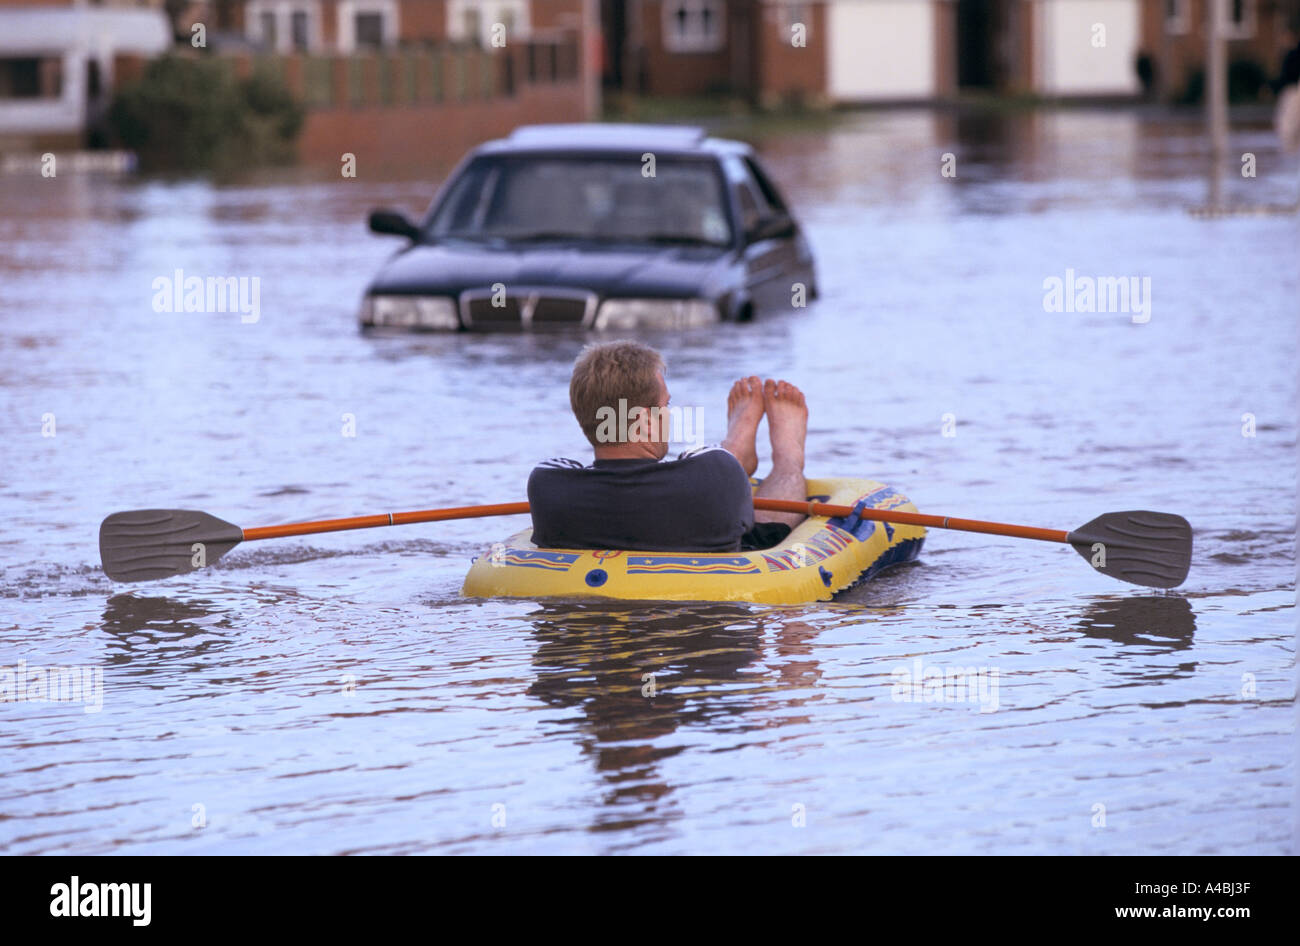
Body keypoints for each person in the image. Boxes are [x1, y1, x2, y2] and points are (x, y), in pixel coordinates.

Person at [528, 340, 808, 553]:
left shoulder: (548, 485)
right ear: (643, 422)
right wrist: (731, 461)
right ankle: (785, 454)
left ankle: (739, 449)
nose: (670, 415)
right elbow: (709, 463)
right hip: (706, 558)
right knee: (765, 523)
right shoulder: (715, 472)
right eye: (666, 405)